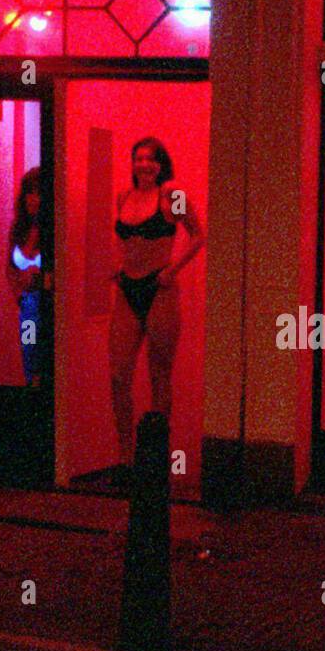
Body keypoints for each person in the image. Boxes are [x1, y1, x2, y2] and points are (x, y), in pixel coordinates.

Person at [108, 137, 206, 471]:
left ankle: (157, 456)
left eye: (151, 159)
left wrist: (173, 269)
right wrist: (118, 266)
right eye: (138, 158)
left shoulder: (171, 194)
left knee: (159, 373)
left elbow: (198, 234)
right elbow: (124, 240)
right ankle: (126, 455)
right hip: (127, 289)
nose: (144, 164)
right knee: (119, 374)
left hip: (159, 289)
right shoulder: (124, 196)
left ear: (161, 164)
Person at [5, 167, 45, 387]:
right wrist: (19, 295)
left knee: (47, 360)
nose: (34, 199)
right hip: (27, 308)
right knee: (29, 358)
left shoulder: (53, 231)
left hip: (47, 306)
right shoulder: (18, 228)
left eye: (39, 192)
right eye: (30, 192)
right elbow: (9, 268)